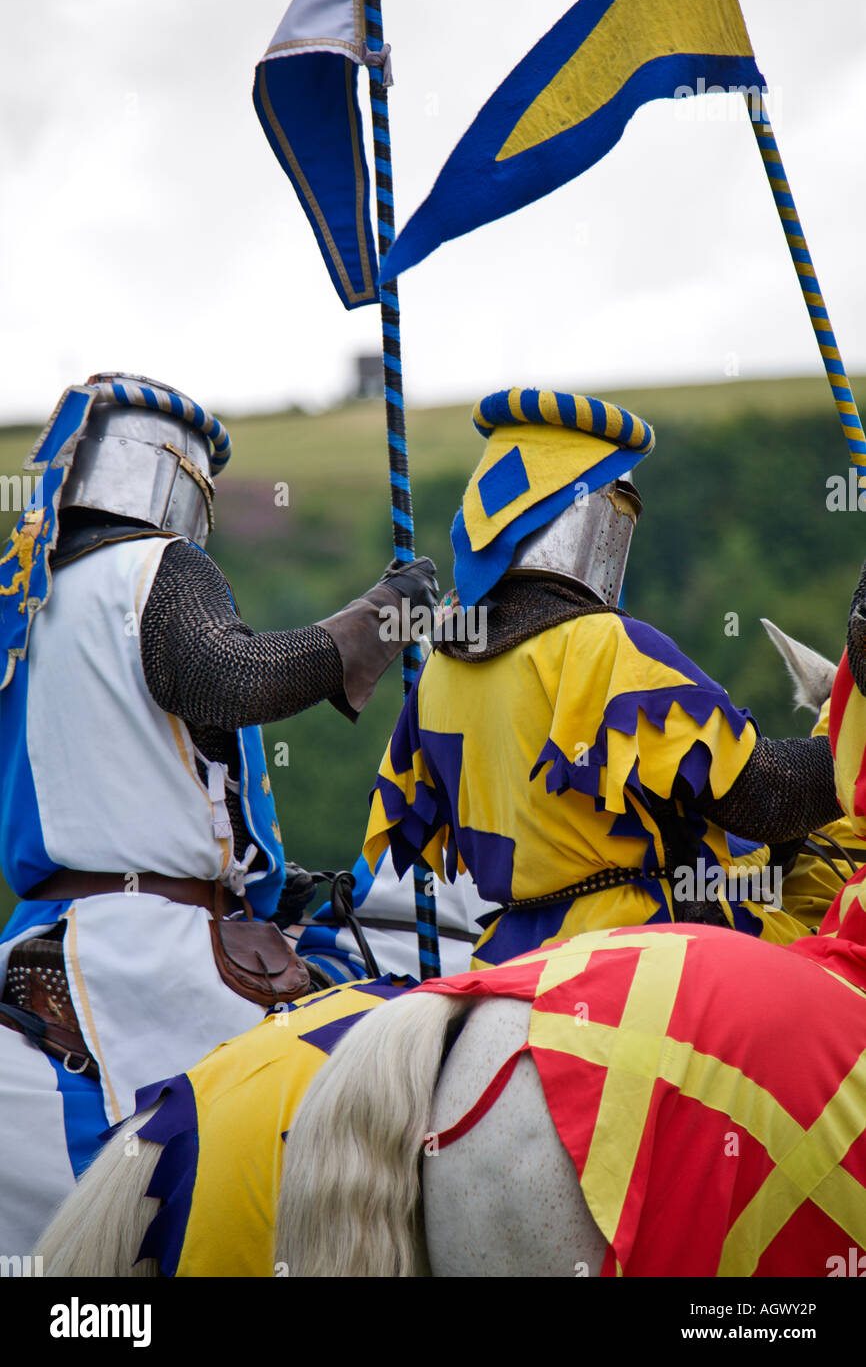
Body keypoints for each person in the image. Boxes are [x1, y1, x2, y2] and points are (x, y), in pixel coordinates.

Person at [0, 371, 436, 1253]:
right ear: (175, 475)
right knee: (370, 1078)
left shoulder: (25, 599)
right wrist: (377, 620)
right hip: (149, 948)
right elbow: (230, 677)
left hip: (49, 922)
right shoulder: (156, 568)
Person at [363, 387, 842, 967]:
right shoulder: (605, 647)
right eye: (618, 507)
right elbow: (763, 796)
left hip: (505, 957)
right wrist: (849, 738)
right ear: (572, 510)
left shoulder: (438, 669)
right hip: (641, 949)